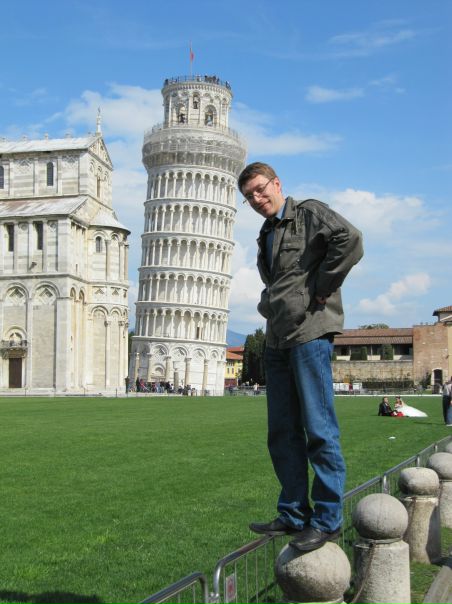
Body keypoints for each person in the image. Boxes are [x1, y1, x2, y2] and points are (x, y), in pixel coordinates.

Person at [238, 162, 363, 552]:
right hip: (276, 339)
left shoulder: (308, 213)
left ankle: (326, 521)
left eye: (261, 189)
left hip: (309, 333)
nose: (257, 198)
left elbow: (351, 239)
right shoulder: (266, 234)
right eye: (249, 196)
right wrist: (268, 304)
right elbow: (276, 282)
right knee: (282, 432)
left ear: (277, 183)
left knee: (319, 430)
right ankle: (293, 513)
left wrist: (323, 285)